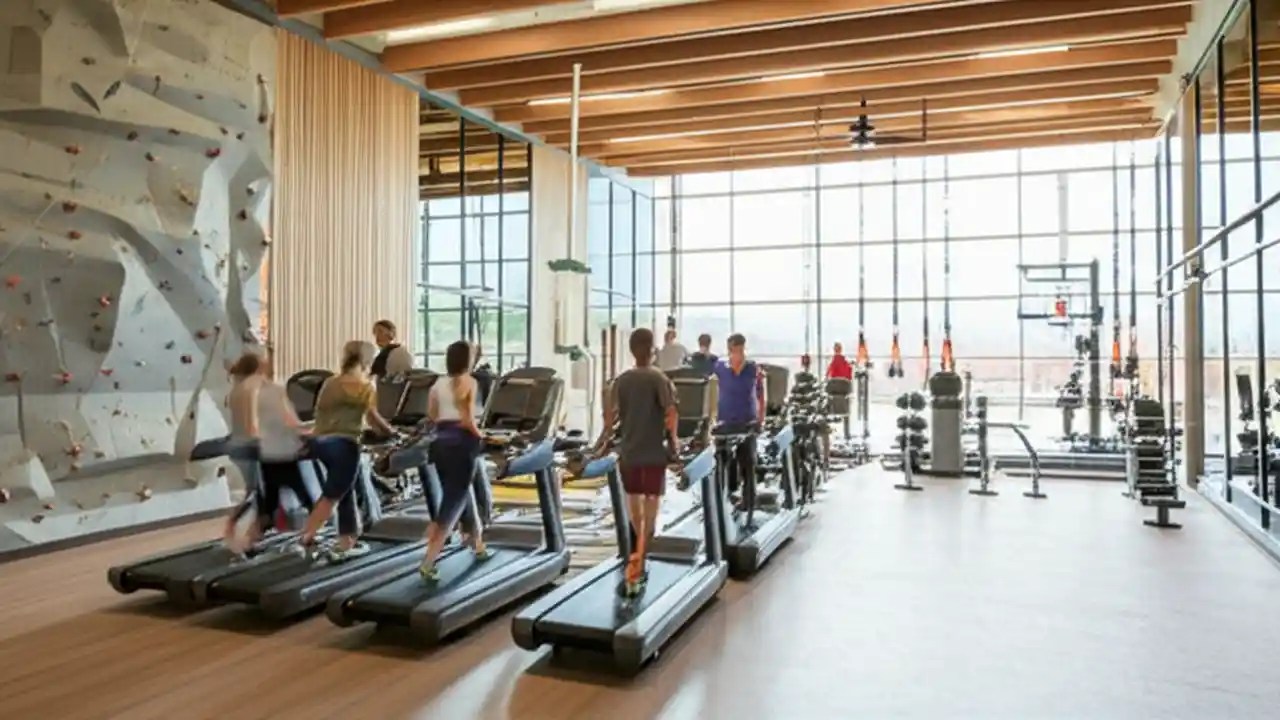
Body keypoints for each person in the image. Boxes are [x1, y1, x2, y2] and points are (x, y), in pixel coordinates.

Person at [298, 340, 398, 562]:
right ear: (368, 361)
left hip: (319, 443)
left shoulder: (330, 383)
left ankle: (348, 537)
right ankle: (307, 536)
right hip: (344, 446)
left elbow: (320, 414)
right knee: (333, 494)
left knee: (346, 491)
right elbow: (374, 420)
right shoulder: (366, 387)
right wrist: (393, 433)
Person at [599, 328, 678, 596]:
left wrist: (603, 443)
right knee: (651, 507)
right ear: (652, 349)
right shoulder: (659, 378)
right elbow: (670, 414)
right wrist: (675, 444)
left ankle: (637, 557)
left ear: (632, 351)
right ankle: (641, 557)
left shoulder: (621, 381)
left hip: (630, 453)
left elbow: (610, 419)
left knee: (635, 506)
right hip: (654, 454)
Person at [224, 350, 313, 554]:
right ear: (259, 368)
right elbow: (254, 423)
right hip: (262, 449)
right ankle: (244, 534)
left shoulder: (236, 389)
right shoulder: (255, 387)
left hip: (239, 447)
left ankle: (250, 536)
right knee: (265, 494)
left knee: (261, 496)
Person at [419, 340, 489, 583]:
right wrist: (485, 437)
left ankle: (478, 545)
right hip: (462, 443)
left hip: (440, 444)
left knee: (460, 492)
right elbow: (468, 420)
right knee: (453, 503)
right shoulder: (469, 382)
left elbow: (432, 416)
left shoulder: (437, 383)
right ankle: (428, 561)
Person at [711, 334, 765, 504]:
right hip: (725, 421)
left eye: (741, 350)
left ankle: (749, 499)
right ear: (729, 350)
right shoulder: (720, 368)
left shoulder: (752, 369)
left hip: (747, 420)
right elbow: (710, 389)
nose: (738, 354)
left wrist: (760, 418)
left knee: (748, 462)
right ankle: (725, 497)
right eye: (735, 350)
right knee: (724, 462)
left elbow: (761, 394)